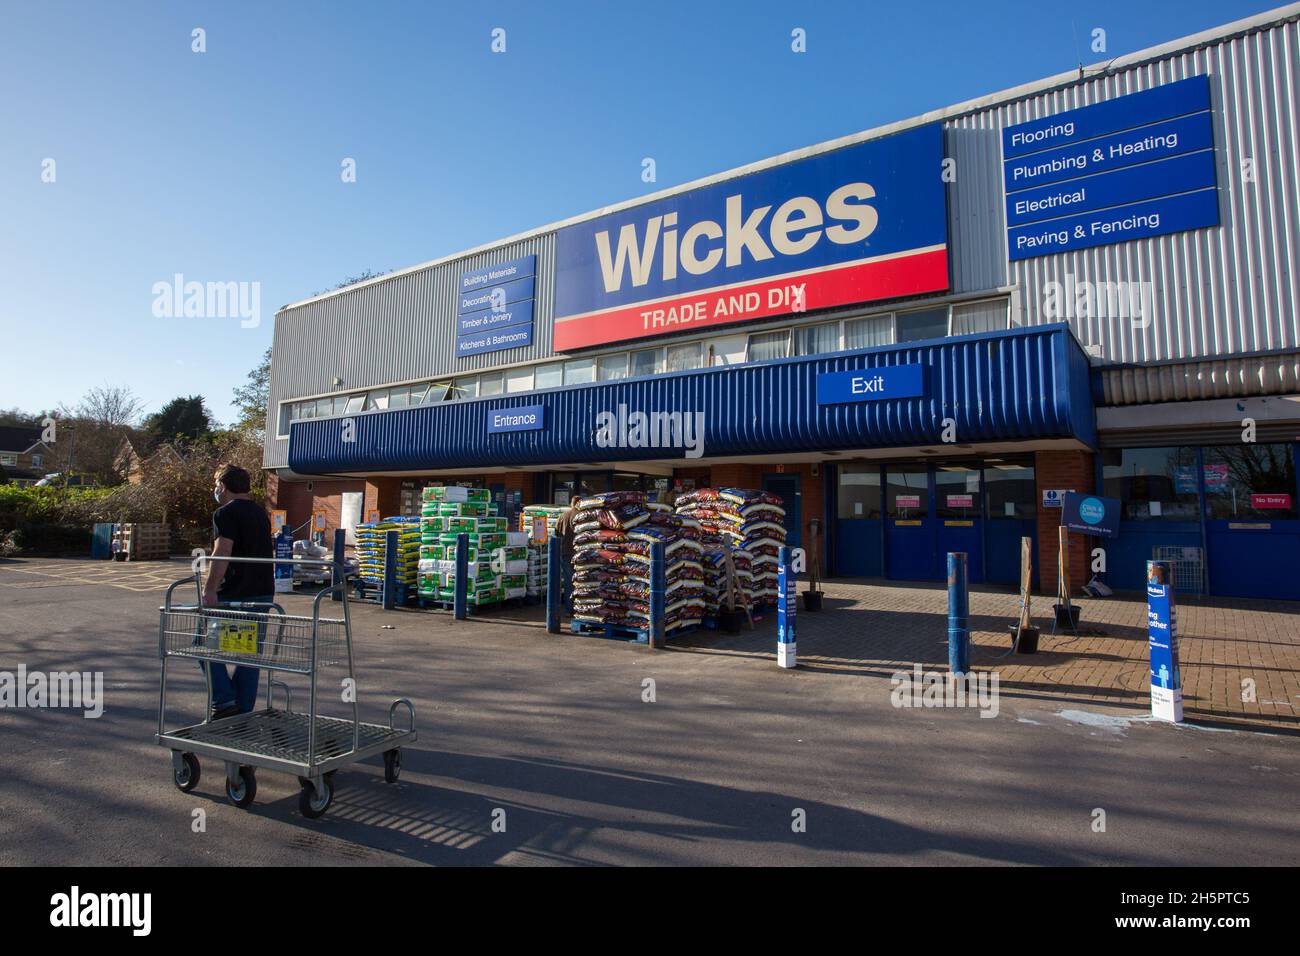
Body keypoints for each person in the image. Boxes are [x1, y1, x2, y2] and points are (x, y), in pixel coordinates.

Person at [202, 464, 274, 718]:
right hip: (263, 592)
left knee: (202, 646)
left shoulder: (225, 514)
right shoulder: (261, 513)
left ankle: (223, 701)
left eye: (216, 485)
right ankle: (242, 712)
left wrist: (210, 589)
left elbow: (222, 552)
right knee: (248, 655)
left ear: (222, 486)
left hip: (235, 595)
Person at [554, 504, 578, 613]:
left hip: (564, 551)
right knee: (578, 580)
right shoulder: (580, 515)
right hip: (577, 552)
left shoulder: (562, 516)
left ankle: (569, 608)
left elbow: (556, 533)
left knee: (568, 580)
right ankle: (575, 608)